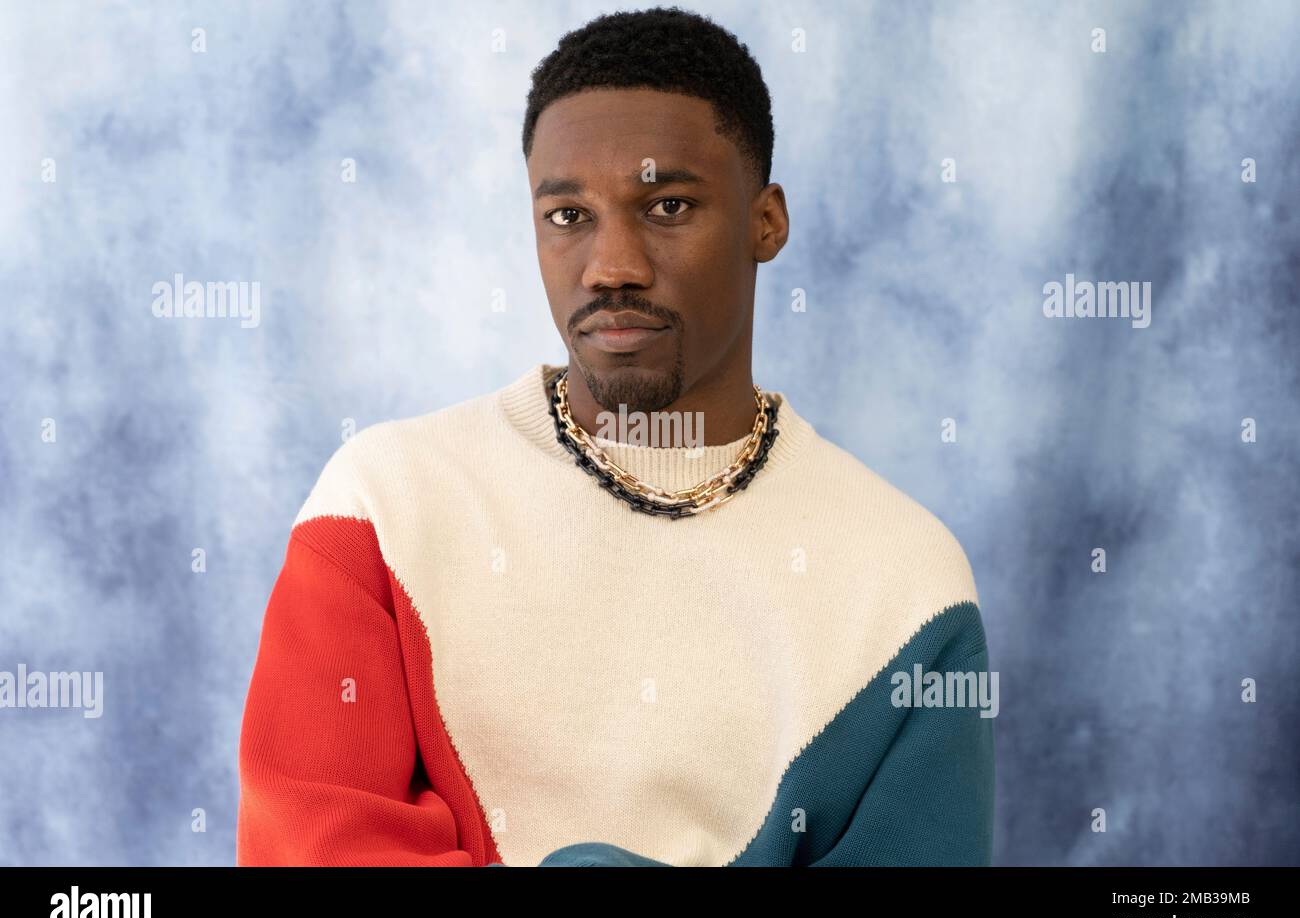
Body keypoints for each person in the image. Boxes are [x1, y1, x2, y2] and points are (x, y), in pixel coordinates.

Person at [236, 5, 994, 867]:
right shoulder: (382, 506)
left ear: (766, 222)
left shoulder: (905, 583)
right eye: (569, 216)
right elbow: (313, 848)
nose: (612, 266)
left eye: (668, 205)